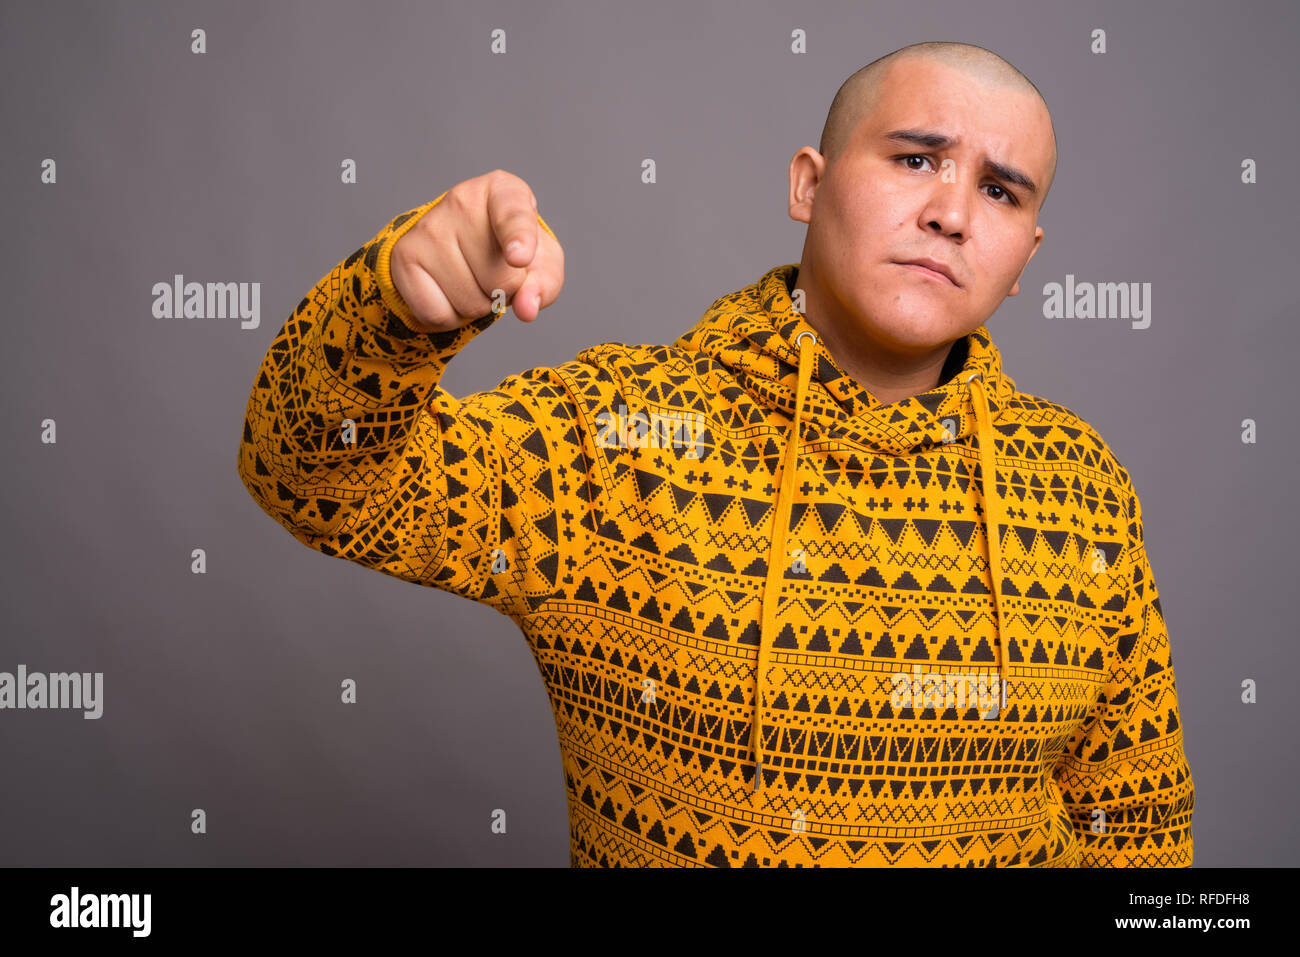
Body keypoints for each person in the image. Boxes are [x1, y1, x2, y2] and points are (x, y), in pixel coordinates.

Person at [236, 40, 1194, 867]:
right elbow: (313, 478)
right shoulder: (615, 437)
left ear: (1025, 255)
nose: (953, 212)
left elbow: (1141, 824)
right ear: (807, 184)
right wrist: (395, 313)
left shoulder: (1080, 485)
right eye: (915, 159)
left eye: (998, 189)